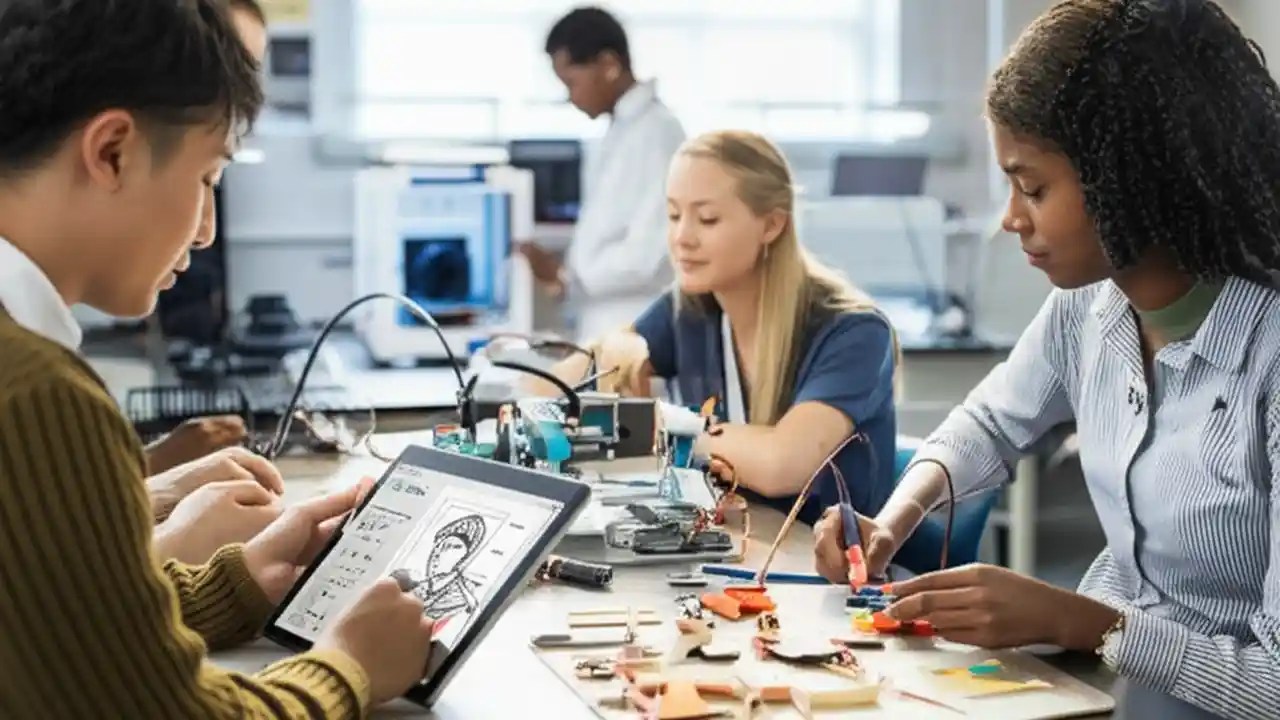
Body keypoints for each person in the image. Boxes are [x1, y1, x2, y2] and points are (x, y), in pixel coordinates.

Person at [812, 1, 1280, 717]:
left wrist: (1082, 622)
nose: (1011, 217)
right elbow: (990, 426)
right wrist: (893, 519)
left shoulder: (1268, 356)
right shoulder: (1086, 310)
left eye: (1032, 188)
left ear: (1132, 181)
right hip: (1105, 688)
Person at [0, 1, 433, 716]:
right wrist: (350, 666)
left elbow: (49, 639)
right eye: (206, 179)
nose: (205, 231)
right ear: (112, 150)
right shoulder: (38, 394)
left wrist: (237, 585)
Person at [550, 130, 901, 526]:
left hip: (829, 575)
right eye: (673, 215)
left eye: (707, 218)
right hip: (737, 556)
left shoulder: (854, 334)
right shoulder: (692, 308)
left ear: (771, 225)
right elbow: (552, 386)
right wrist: (618, 346)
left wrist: (658, 423)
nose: (682, 237)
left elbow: (780, 465)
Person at [522, 6, 687, 342]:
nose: (570, 97)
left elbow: (649, 253)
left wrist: (569, 276)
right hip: (607, 324)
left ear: (609, 66)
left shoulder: (658, 133)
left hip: (635, 324)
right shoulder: (621, 131)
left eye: (571, 82)